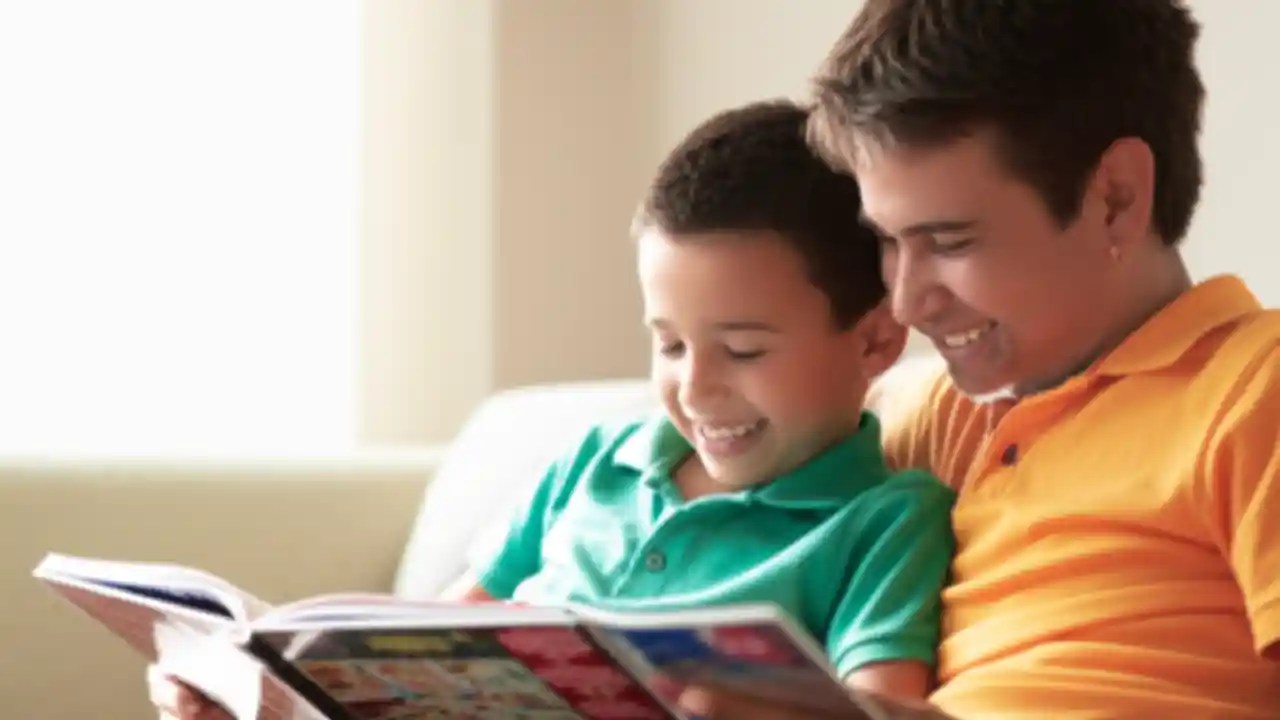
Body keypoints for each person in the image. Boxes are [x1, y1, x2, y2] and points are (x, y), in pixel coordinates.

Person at [149, 100, 957, 719]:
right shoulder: (595, 464)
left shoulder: (885, 521)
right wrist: (268, 686)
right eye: (669, 345)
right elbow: (424, 646)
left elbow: (876, 705)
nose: (697, 387)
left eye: (743, 351)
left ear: (875, 342)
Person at [676, 1, 1280, 719]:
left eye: (952, 241)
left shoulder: (1254, 387)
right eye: (890, 241)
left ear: (1115, 199)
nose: (904, 302)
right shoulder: (931, 421)